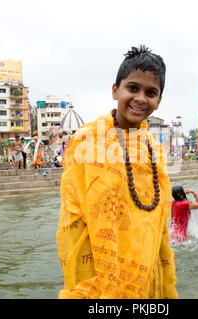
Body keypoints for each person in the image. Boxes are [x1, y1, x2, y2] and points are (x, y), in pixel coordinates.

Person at [56, 45, 177, 299]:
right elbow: (73, 219)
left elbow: (159, 223)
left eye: (150, 92)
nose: (141, 98)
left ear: (159, 100)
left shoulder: (154, 151)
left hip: (146, 281)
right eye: (133, 88)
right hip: (99, 283)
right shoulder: (87, 142)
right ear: (115, 90)